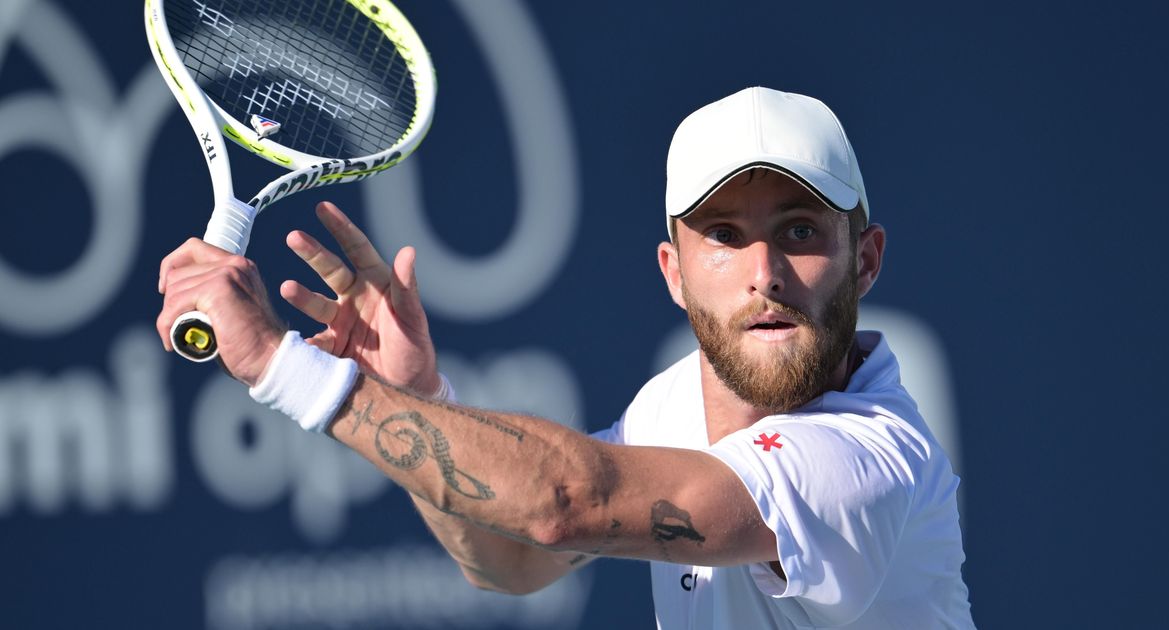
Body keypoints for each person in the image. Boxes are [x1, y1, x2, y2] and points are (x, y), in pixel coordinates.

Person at [158, 86, 974, 628]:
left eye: (798, 231)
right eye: (723, 237)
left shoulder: (868, 459)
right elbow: (511, 562)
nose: (764, 276)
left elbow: (565, 504)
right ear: (675, 275)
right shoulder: (670, 407)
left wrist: (280, 367)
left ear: (864, 260)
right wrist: (419, 395)